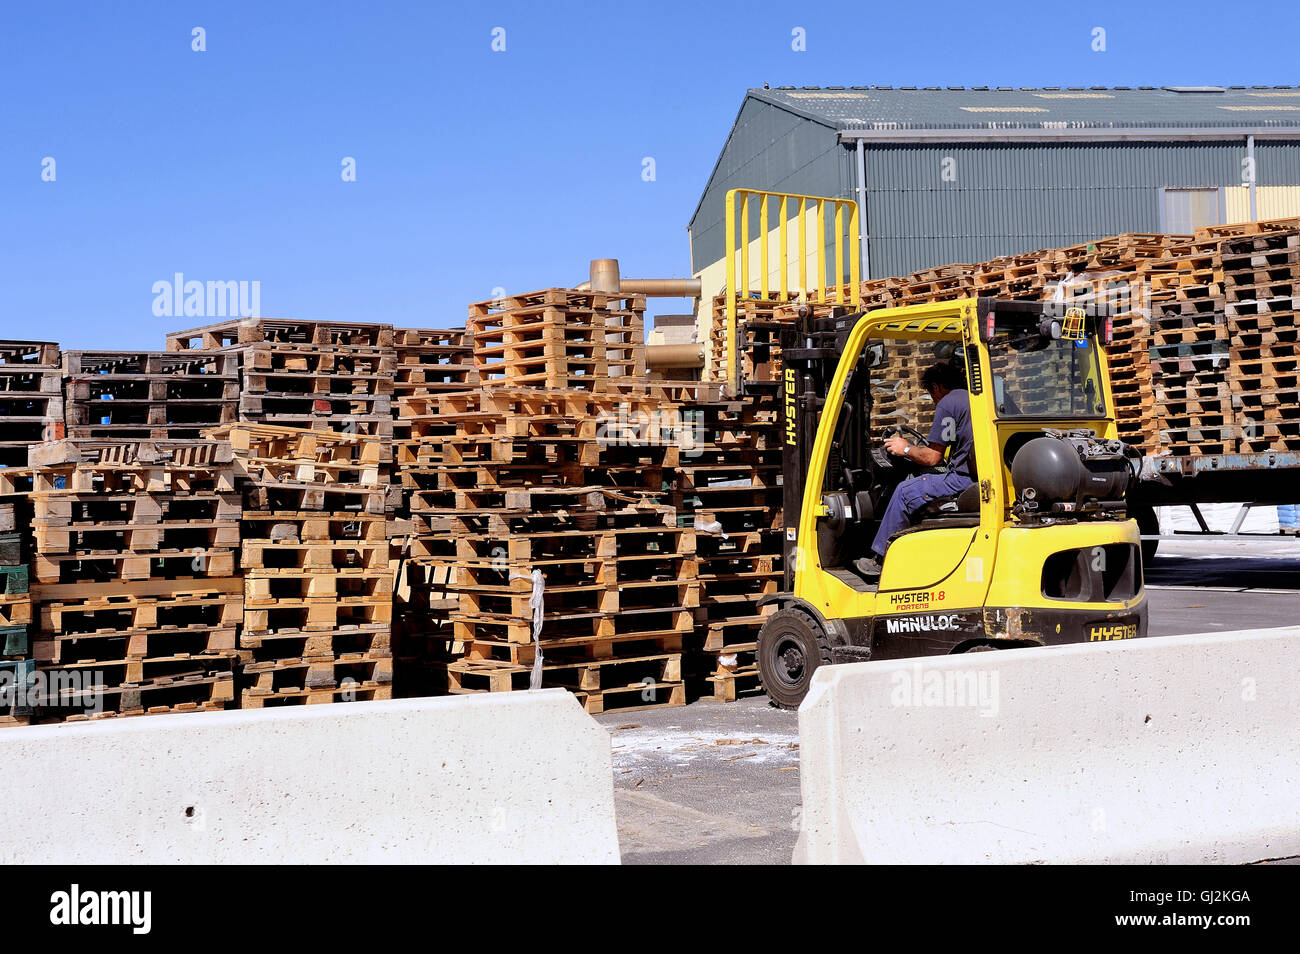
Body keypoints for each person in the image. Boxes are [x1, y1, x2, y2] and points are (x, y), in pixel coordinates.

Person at [855, 362, 975, 578]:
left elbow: (931, 457)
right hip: (981, 477)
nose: (933, 399)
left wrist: (906, 448)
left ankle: (881, 560)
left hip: (963, 480)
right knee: (924, 482)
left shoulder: (949, 403)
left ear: (937, 387)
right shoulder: (977, 398)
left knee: (904, 491)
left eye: (931, 393)